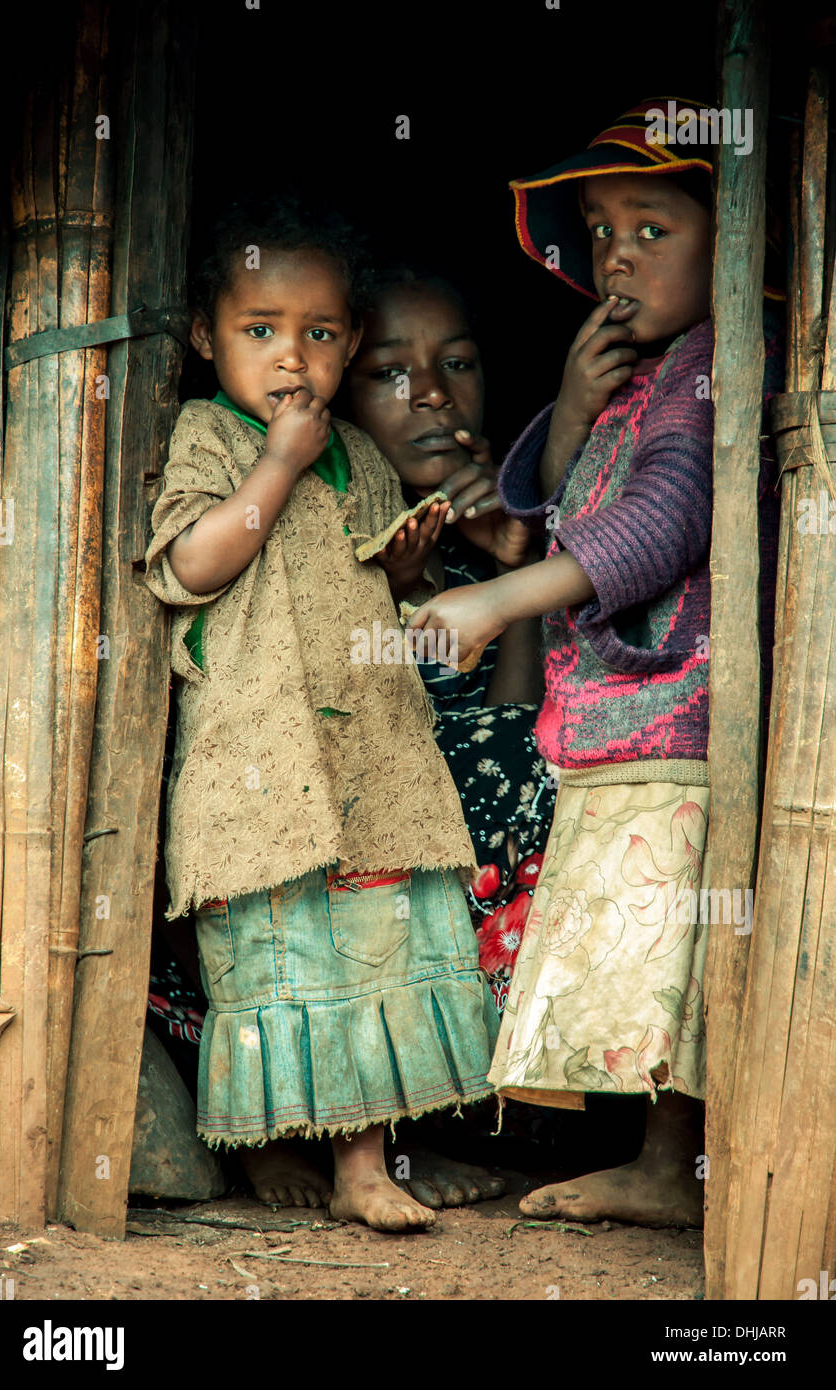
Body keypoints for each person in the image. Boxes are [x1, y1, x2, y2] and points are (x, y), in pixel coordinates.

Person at [408, 100, 783, 1227]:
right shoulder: (642, 372)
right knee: (659, 956)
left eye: (651, 226)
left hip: (685, 713)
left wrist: (498, 595)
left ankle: (683, 1167)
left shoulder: (722, 362)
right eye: (599, 226)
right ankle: (668, 1165)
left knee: (675, 949)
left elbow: (661, 524)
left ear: (740, 239)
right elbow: (551, 500)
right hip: (628, 719)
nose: (615, 251)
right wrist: (570, 407)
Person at [144, 195, 499, 1233]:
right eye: (259, 331)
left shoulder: (358, 448)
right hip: (263, 766)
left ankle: (371, 1148)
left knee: (372, 953)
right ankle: (304, 1159)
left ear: (348, 344)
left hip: (366, 757)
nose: (290, 356)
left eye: (319, 333)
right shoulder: (206, 434)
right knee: (282, 961)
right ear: (207, 337)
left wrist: (407, 565)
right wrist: (278, 460)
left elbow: (365, 583)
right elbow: (191, 565)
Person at [345, 268, 558, 1204]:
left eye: (457, 362)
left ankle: (470, 1107)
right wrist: (393, 594)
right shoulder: (323, 529)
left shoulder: (491, 538)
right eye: (391, 370)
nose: (431, 391)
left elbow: (513, 747)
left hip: (455, 862)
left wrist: (512, 569)